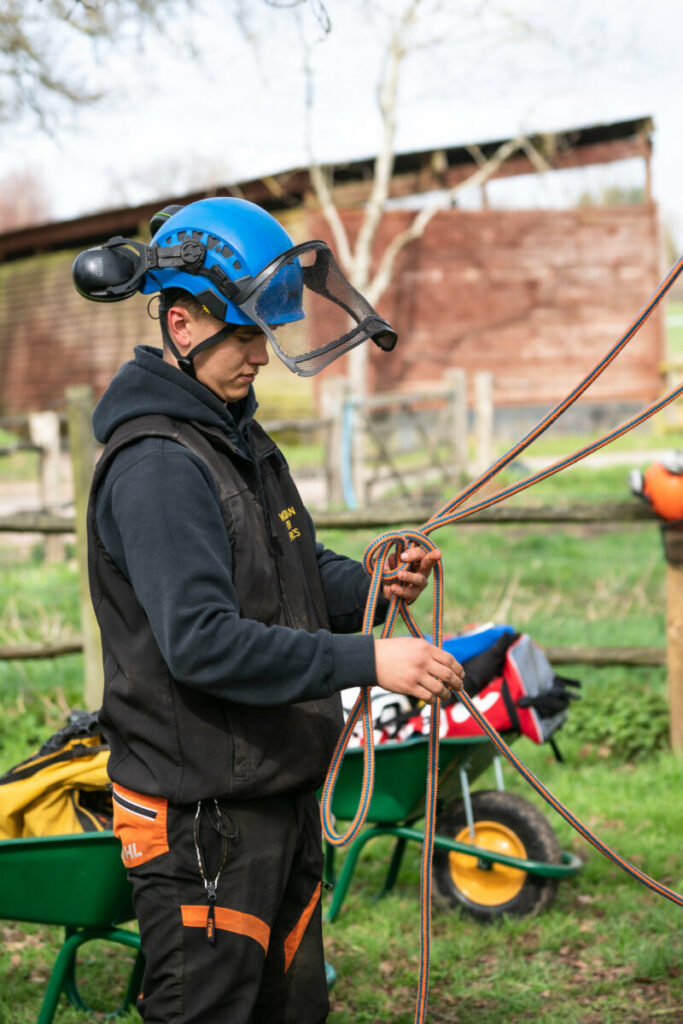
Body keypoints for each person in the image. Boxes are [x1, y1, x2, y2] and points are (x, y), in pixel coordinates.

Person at [76, 197, 464, 1024]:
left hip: (275, 792)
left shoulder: (240, 439)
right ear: (182, 324)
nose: (262, 354)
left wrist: (373, 587)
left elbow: (287, 576)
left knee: (294, 1013)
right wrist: (371, 661)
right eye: (246, 333)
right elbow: (203, 645)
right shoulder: (157, 466)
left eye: (266, 331)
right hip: (201, 820)